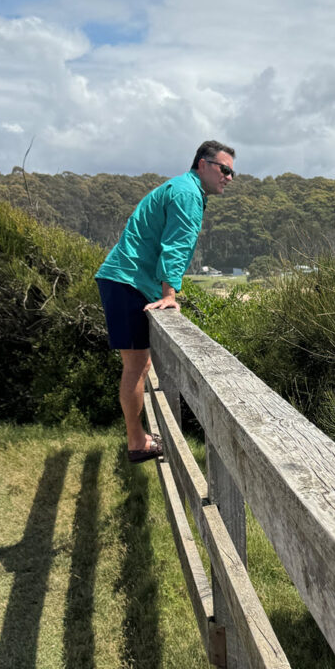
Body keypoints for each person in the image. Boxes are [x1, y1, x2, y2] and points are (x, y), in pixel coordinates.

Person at [96, 140, 235, 463]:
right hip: (127, 282)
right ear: (203, 164)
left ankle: (139, 436)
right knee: (136, 366)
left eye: (232, 173)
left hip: (126, 280)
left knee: (139, 365)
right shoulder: (188, 194)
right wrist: (169, 295)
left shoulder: (181, 188)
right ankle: (136, 442)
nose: (229, 178)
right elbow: (175, 247)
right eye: (224, 170)